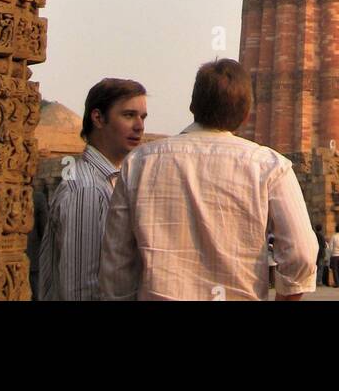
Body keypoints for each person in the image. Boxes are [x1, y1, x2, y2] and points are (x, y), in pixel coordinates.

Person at [99, 58, 317, 301]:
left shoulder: (139, 162)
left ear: (192, 105)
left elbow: (115, 263)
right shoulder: (270, 167)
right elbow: (302, 254)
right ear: (246, 115)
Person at [39, 78, 147, 300]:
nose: (139, 126)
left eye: (142, 117)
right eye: (128, 115)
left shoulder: (109, 182)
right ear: (98, 118)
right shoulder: (86, 189)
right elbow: (80, 289)